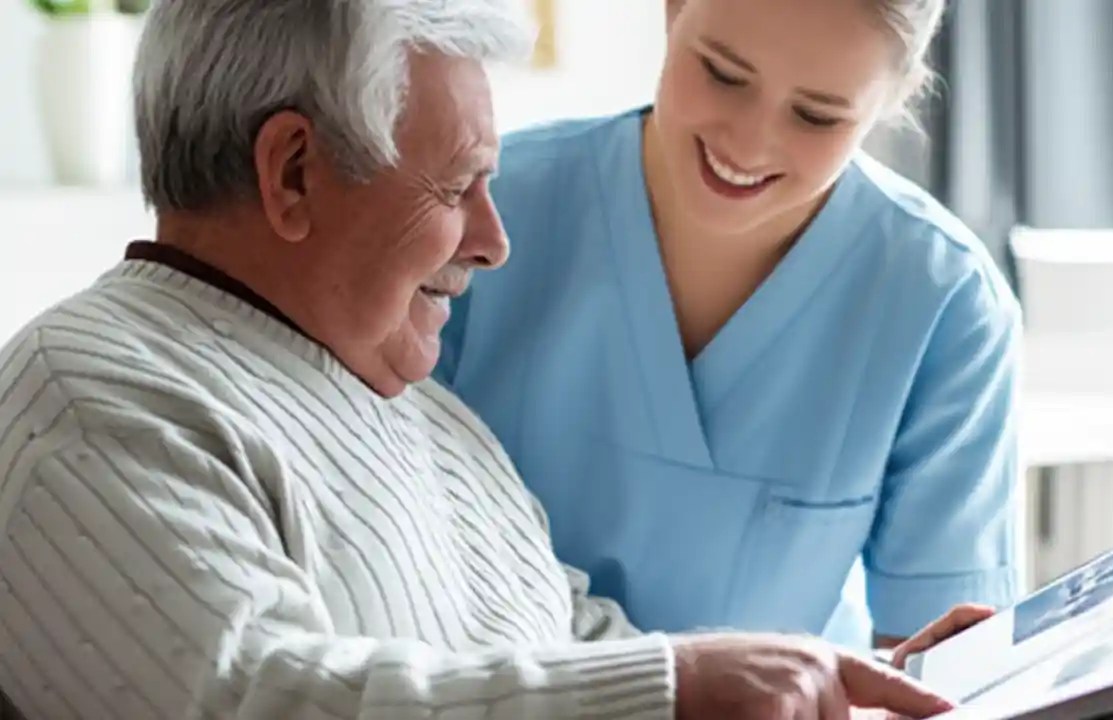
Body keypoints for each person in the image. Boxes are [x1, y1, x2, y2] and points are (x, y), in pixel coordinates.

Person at [0, 1, 974, 718]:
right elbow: (256, 694)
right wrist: (673, 687)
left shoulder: (419, 417)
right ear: (293, 173)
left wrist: (833, 691)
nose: (495, 240)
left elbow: (576, 644)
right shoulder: (92, 396)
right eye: (459, 185)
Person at [434, 0, 1023, 651]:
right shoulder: (482, 210)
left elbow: (936, 665)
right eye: (722, 74)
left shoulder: (943, 302)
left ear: (892, 99)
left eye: (816, 114)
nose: (748, 142)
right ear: (672, 11)